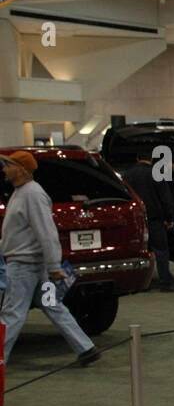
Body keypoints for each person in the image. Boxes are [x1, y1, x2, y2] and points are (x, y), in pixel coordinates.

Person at [0, 151, 101, 366]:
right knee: (54, 306)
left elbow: (46, 232)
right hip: (35, 268)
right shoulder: (21, 193)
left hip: (25, 268)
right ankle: (86, 348)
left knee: (12, 313)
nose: (4, 169)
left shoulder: (31, 195)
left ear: (22, 169)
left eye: (8, 165)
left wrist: (54, 266)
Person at [120, 152, 174, 289]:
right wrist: (170, 218)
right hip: (155, 219)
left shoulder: (127, 175)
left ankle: (141, 281)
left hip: (136, 220)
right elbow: (165, 197)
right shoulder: (156, 173)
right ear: (151, 159)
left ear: (137, 158)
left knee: (140, 252)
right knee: (161, 250)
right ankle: (165, 280)